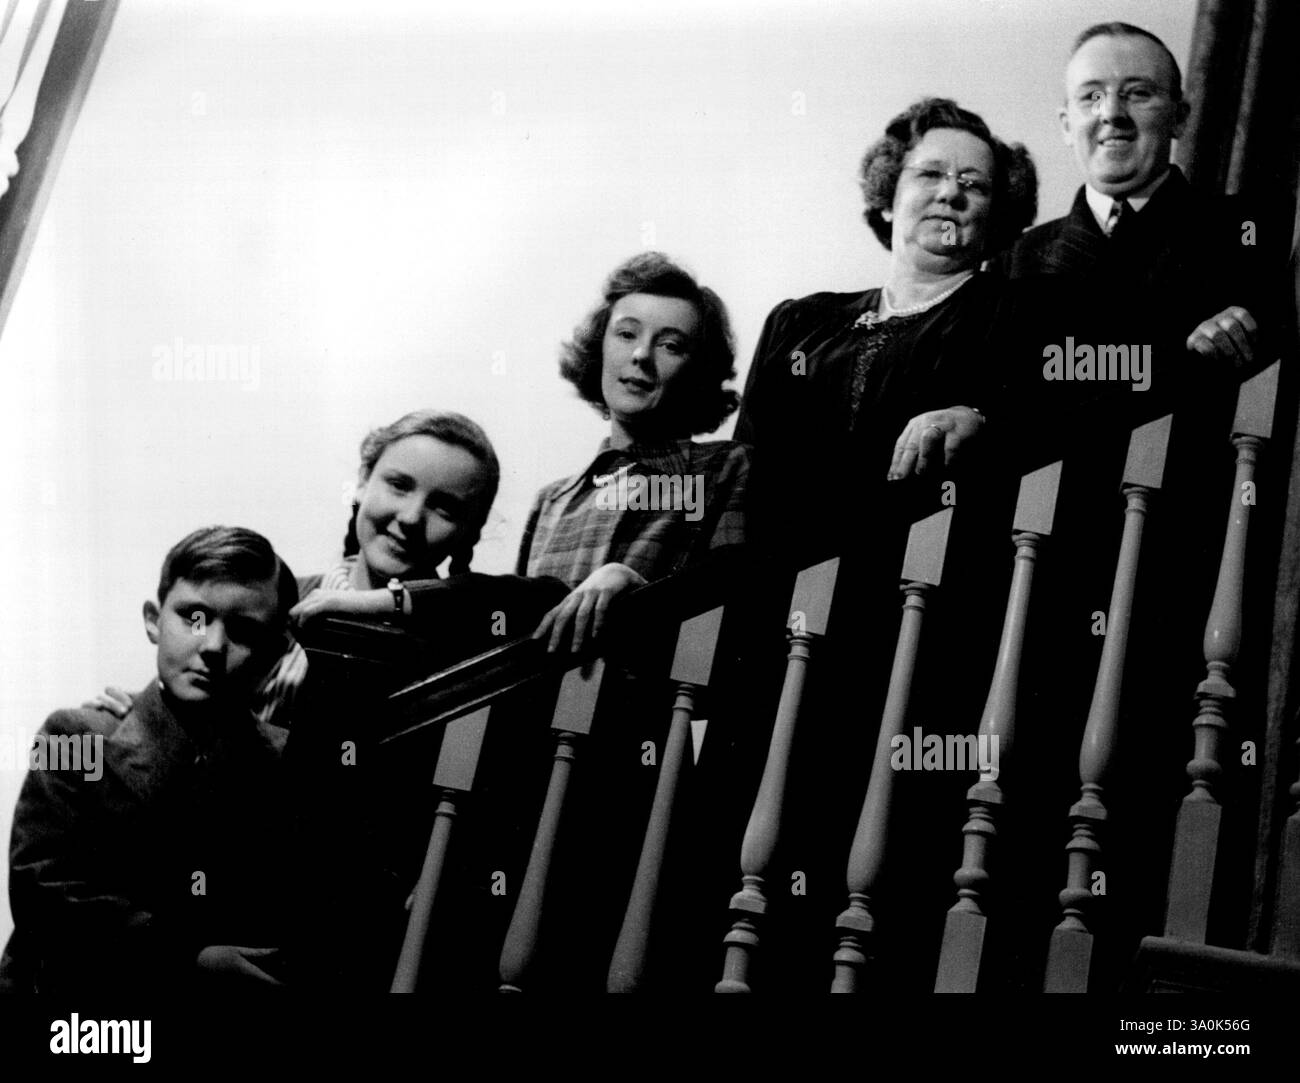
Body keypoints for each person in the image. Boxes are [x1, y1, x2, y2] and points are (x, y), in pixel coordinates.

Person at [0, 526, 298, 993]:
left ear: (276, 652)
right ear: (154, 620)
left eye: (242, 631)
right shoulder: (71, 732)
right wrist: (188, 955)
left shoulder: (283, 762)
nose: (214, 647)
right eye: (194, 617)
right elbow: (40, 893)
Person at [518, 251, 750, 654]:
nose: (641, 355)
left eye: (670, 345)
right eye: (626, 334)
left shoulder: (722, 470)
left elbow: (735, 609)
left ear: (698, 373)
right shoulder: (552, 502)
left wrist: (635, 586)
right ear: (600, 347)